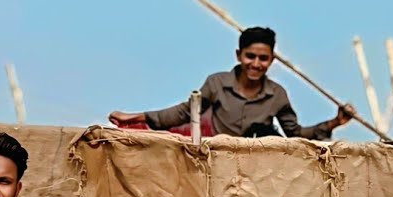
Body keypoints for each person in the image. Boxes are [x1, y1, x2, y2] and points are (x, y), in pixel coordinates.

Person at [108, 26, 356, 140]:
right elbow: (185, 113)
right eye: (251, 56)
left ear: (271, 61)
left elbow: (296, 135)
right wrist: (136, 117)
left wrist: (335, 122)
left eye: (263, 58)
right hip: (217, 157)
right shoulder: (217, 84)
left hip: (256, 164)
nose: (256, 64)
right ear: (239, 56)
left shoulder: (277, 95)